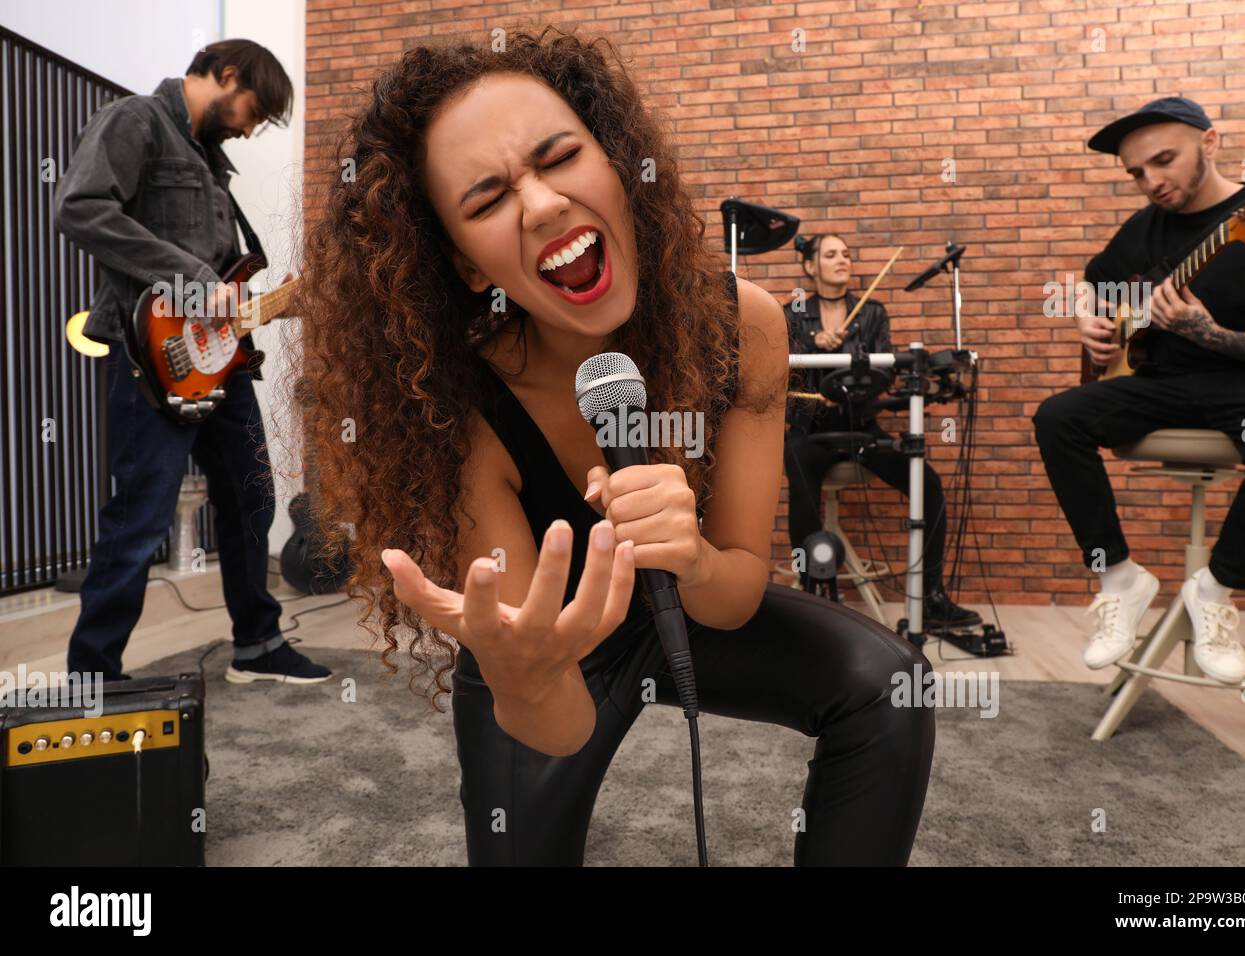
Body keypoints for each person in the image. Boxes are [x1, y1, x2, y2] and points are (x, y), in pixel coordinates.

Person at [297, 26, 935, 866]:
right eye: (487, 201)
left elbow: (736, 592)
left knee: (892, 684)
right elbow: (558, 722)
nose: (542, 204)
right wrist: (524, 668)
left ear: (618, 162)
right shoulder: (463, 407)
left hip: (688, 610)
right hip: (544, 648)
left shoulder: (743, 327)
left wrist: (696, 561)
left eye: (560, 156)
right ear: (465, 264)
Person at [55, 40, 330, 684]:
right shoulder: (135, 121)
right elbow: (79, 206)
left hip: (220, 361)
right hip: (146, 357)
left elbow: (219, 285)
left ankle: (258, 647)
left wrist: (264, 305)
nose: (249, 128)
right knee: (141, 515)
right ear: (226, 75)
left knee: (251, 498)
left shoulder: (213, 163)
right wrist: (191, 277)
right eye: (252, 110)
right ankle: (92, 676)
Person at [1033, 96, 1245, 683]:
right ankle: (1120, 578)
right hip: (1162, 383)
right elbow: (1097, 283)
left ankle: (1217, 589)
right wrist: (1092, 322)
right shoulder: (1143, 229)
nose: (1151, 182)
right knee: (1057, 419)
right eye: (1136, 173)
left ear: (1209, 142)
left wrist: (1213, 333)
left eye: (1163, 161)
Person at [783, 233, 980, 628]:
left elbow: (887, 372)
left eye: (847, 254)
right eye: (831, 254)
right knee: (799, 469)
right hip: (812, 428)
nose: (843, 260)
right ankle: (811, 593)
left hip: (862, 426)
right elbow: (780, 374)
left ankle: (932, 599)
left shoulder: (871, 312)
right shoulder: (793, 314)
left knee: (929, 484)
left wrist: (856, 362)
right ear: (810, 266)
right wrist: (814, 343)